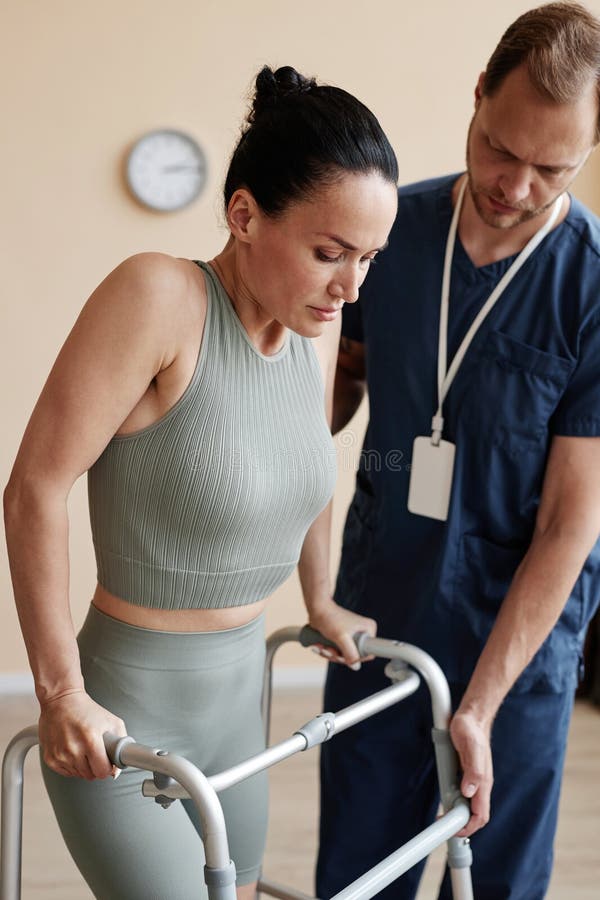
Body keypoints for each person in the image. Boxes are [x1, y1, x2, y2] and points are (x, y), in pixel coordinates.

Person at [3, 65, 397, 900]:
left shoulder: (313, 328)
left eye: (368, 259)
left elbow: (310, 467)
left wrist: (320, 598)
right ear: (244, 215)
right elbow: (35, 486)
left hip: (239, 708)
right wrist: (60, 692)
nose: (351, 288)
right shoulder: (159, 296)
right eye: (330, 254)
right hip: (124, 715)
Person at [316, 4, 600, 899]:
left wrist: (479, 704)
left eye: (551, 168)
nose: (515, 185)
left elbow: (570, 524)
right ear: (478, 95)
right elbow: (340, 381)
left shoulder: (590, 285)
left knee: (494, 880)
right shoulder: (390, 231)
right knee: (360, 870)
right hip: (382, 608)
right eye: (500, 148)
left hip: (517, 645)